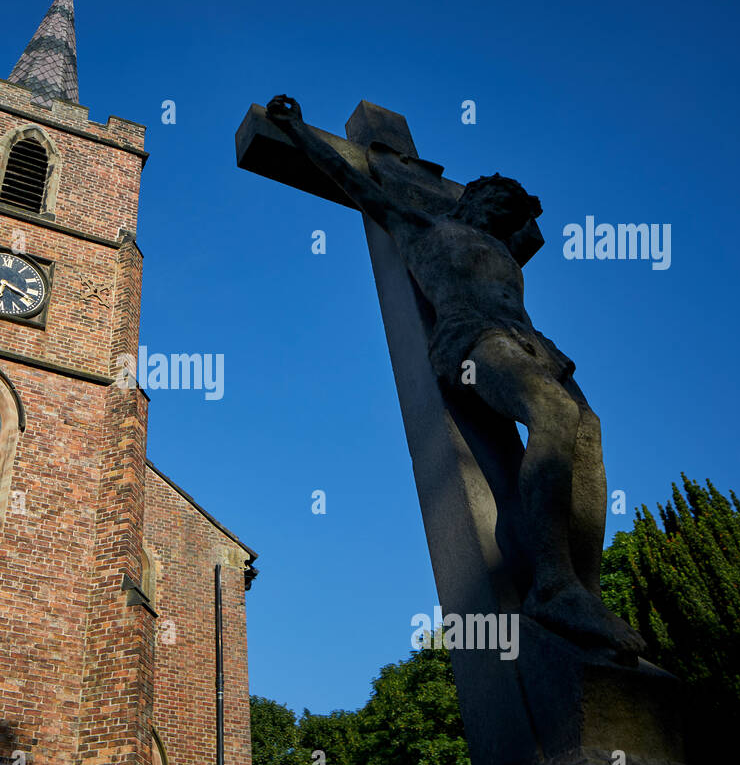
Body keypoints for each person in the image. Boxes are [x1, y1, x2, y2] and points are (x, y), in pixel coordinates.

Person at [267, 94, 644, 656]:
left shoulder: (505, 247)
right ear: (471, 197)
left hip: (534, 342)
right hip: (472, 339)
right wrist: (296, 132)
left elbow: (530, 230)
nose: (506, 212)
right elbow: (353, 179)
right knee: (555, 414)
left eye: (513, 208)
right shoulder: (420, 223)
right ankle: (554, 584)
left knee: (587, 432)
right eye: (497, 198)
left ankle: (585, 588)